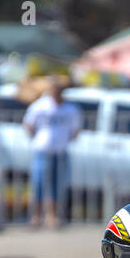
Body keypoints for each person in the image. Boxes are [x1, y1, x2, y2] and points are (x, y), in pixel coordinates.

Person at [22, 77, 81, 228]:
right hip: (42, 151)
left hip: (60, 152)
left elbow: (75, 129)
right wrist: (36, 138)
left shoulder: (70, 109)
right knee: (39, 184)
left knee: (57, 185)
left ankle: (52, 217)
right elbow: (28, 124)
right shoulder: (40, 106)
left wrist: (66, 140)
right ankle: (36, 216)